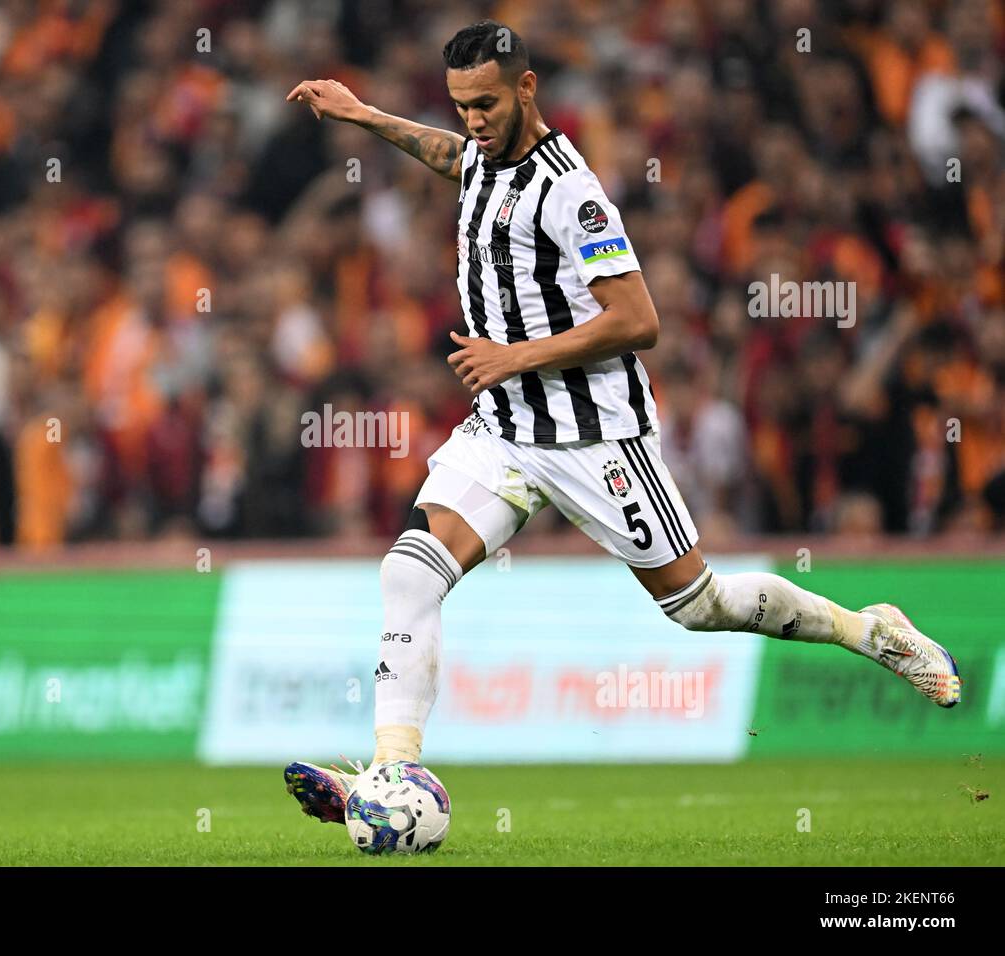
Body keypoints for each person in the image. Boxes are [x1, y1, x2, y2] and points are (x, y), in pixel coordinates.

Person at [281, 21, 960, 826]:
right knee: (409, 573)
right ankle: (394, 774)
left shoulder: (571, 191)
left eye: (488, 104)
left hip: (592, 434)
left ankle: (868, 628)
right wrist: (363, 114)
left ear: (527, 89)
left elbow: (639, 320)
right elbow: (448, 157)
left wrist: (515, 356)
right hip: (503, 429)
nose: (473, 120)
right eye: (462, 105)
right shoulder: (478, 154)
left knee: (699, 605)